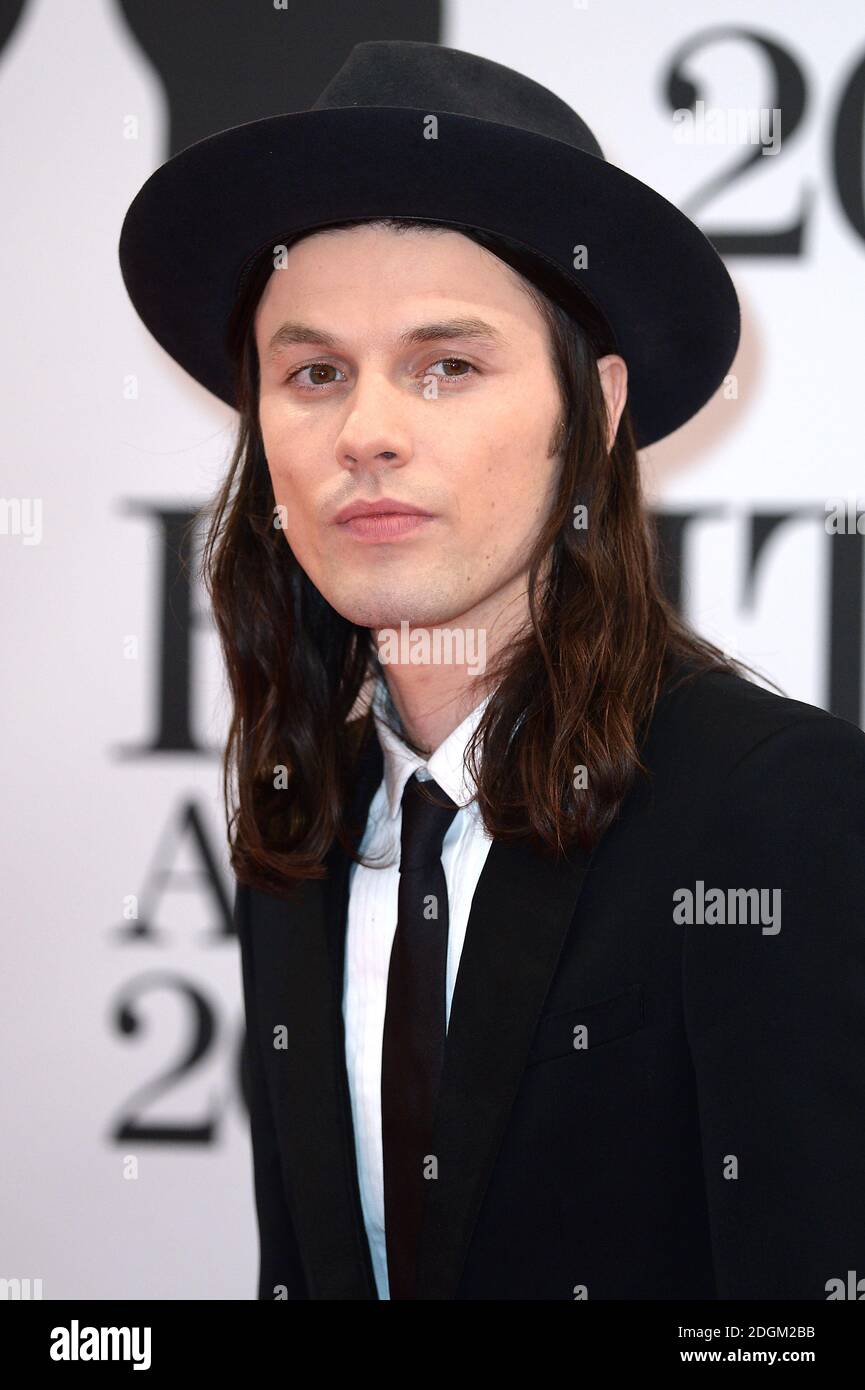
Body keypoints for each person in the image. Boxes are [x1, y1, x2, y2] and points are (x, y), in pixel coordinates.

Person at [118, 40, 865, 1300]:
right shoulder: (299, 823)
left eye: (446, 365)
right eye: (312, 373)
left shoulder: (773, 809)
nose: (366, 433)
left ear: (597, 408)